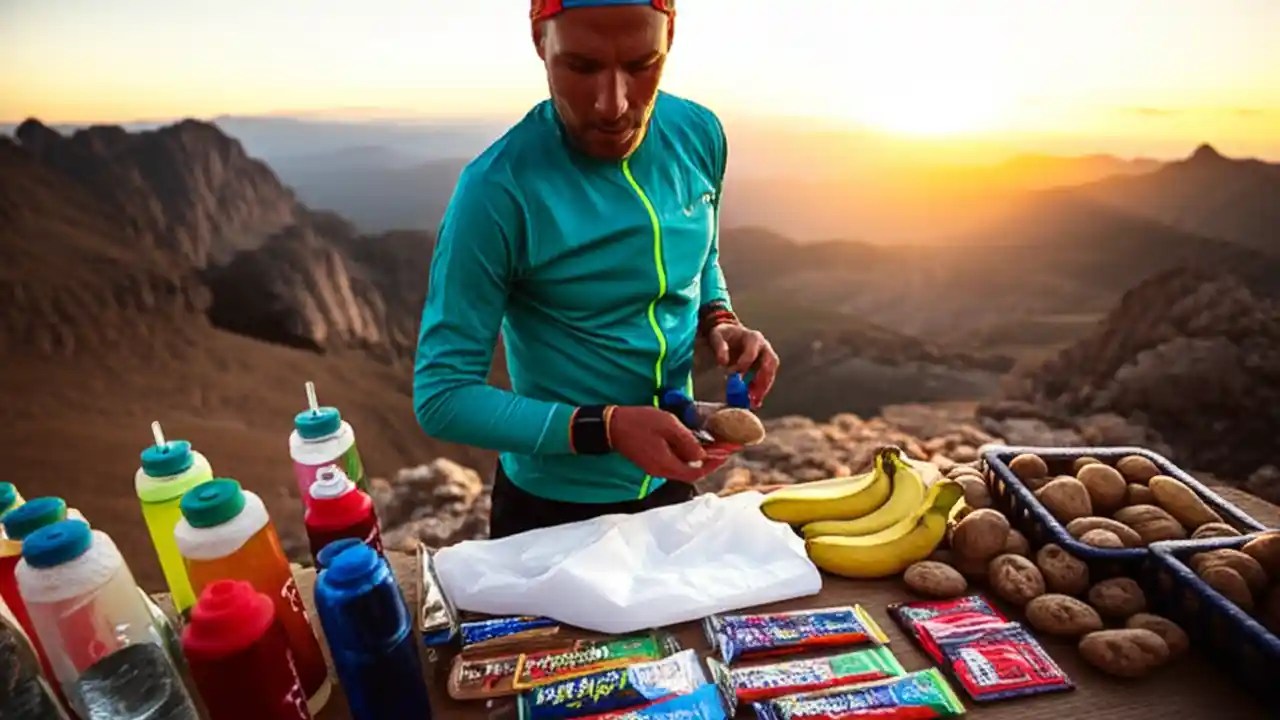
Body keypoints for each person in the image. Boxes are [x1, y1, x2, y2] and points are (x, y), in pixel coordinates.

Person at [413, 0, 780, 539]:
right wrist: (605, 428)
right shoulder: (496, 190)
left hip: (672, 481)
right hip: (551, 509)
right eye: (581, 67)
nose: (613, 104)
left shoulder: (698, 134)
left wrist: (720, 319)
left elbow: (702, 256)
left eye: (641, 64)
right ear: (541, 43)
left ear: (671, 36)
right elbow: (442, 397)